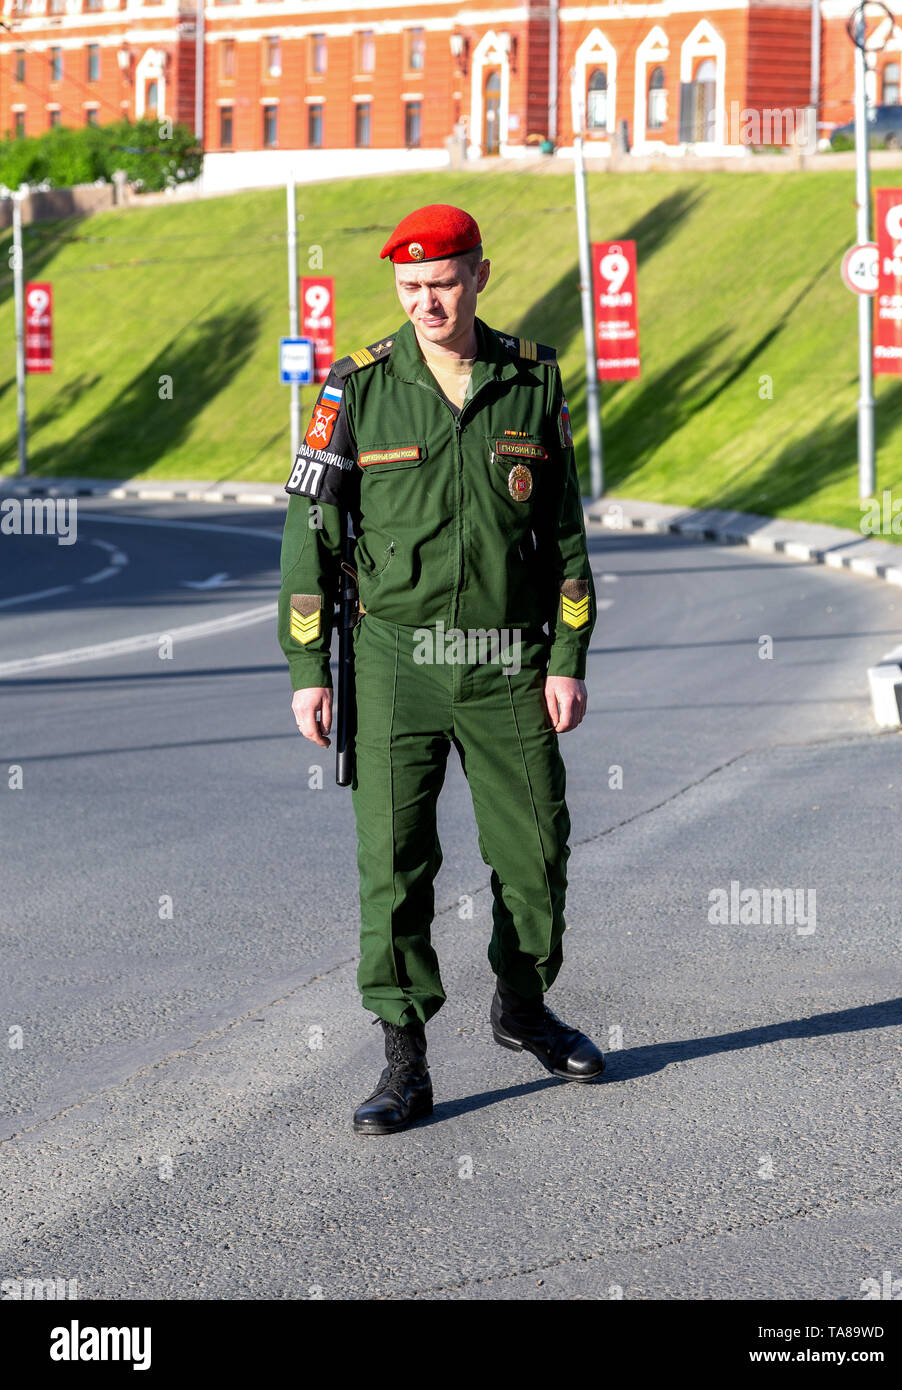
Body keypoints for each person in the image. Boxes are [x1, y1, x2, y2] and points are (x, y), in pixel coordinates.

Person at [278, 203, 604, 1135]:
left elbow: (567, 540)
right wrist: (310, 665)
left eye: (444, 283)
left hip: (507, 658)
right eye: (411, 287)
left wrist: (567, 654)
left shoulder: (532, 382)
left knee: (537, 854)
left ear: (480, 277)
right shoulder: (355, 389)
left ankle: (522, 1005)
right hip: (394, 664)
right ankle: (404, 1062)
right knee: (393, 867)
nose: (427, 301)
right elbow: (311, 532)